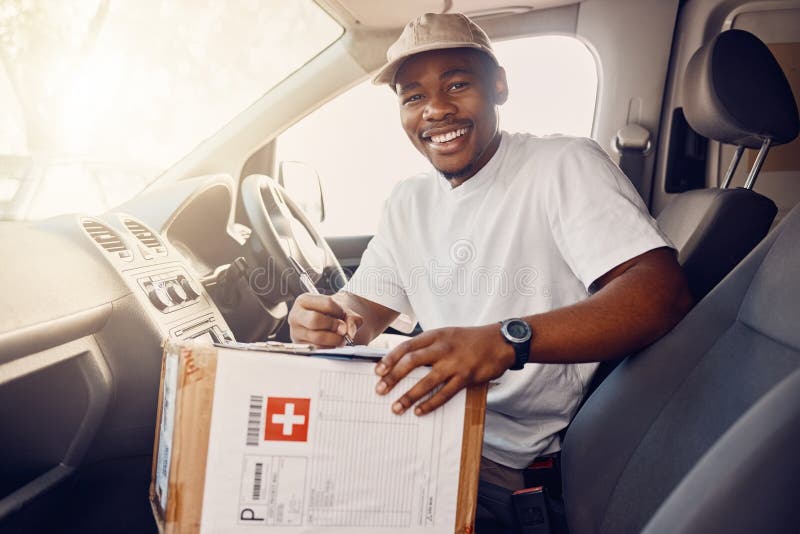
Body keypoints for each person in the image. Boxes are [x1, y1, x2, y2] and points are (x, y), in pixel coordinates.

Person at [288, 10, 692, 513]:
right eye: (413, 96)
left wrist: (505, 340)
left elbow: (662, 292)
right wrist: (327, 320)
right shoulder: (409, 200)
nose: (435, 110)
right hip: (428, 430)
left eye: (457, 85)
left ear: (498, 86)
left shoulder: (562, 165)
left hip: (502, 464)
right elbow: (363, 312)